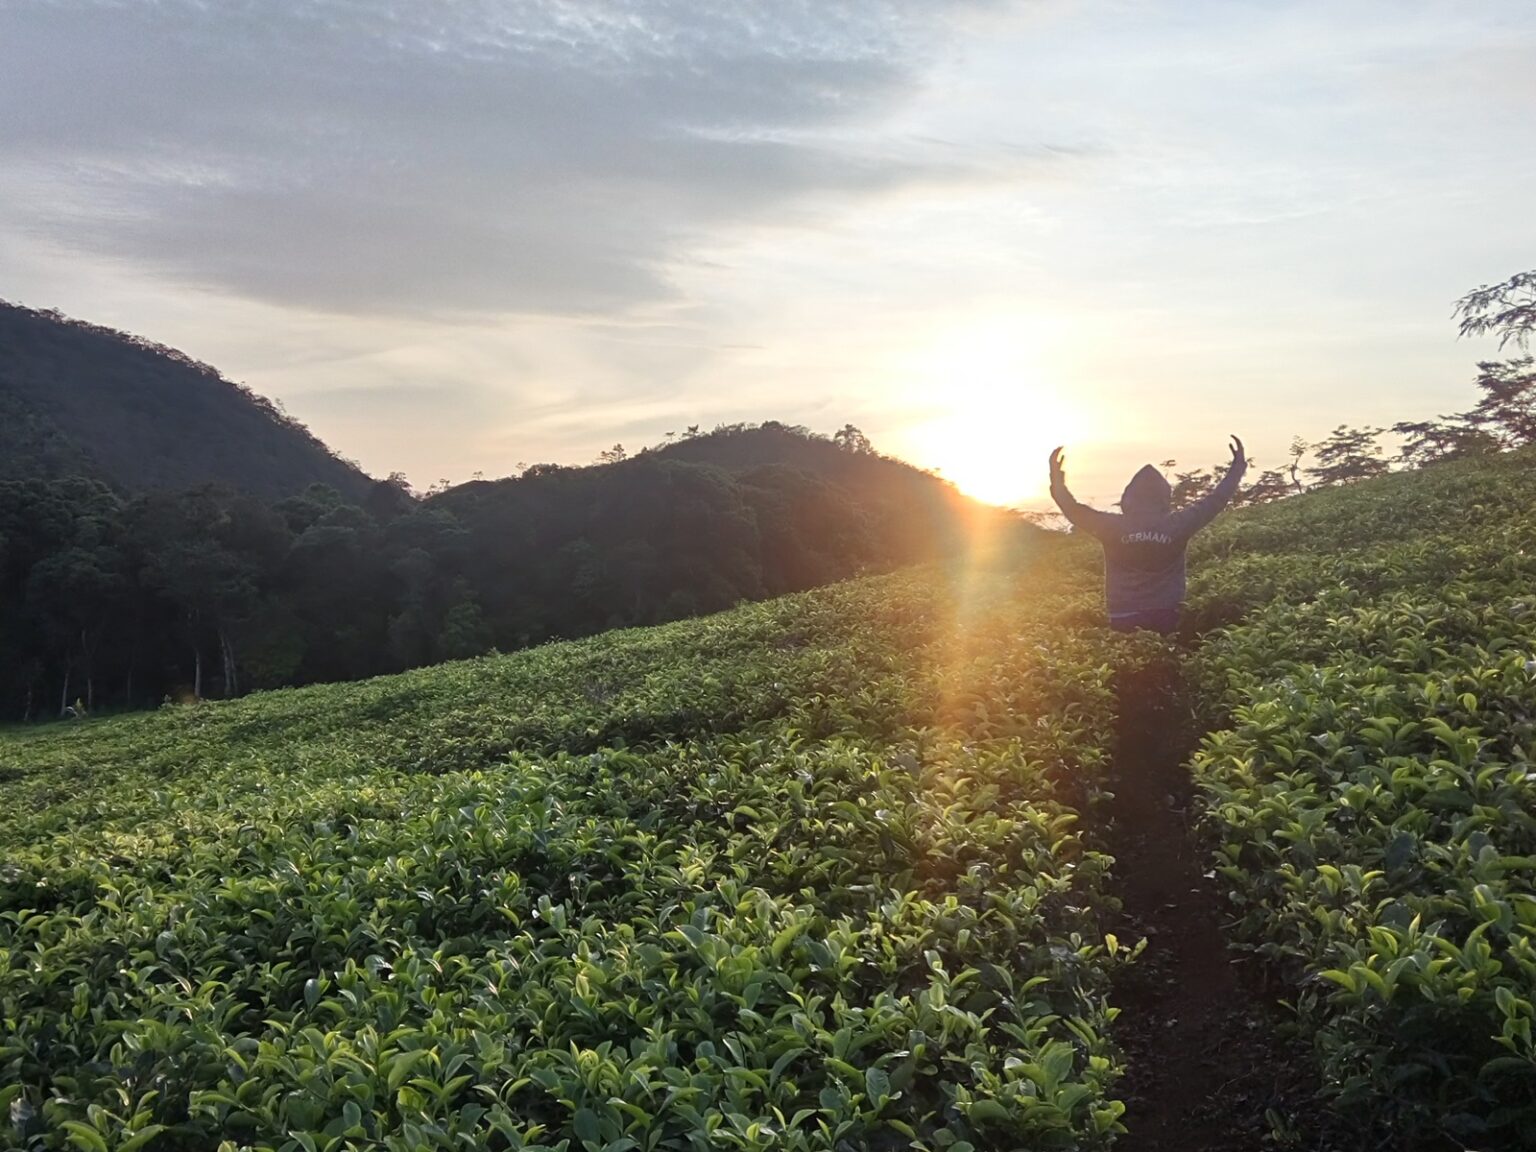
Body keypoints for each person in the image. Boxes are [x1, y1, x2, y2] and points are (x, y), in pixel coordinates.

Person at [1049, 437, 1246, 633]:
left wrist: (1057, 482)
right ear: (1164, 497)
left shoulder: (1112, 526)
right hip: (1167, 611)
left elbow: (1073, 510)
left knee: (1127, 661)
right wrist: (1236, 470)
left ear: (1128, 497)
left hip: (1123, 613)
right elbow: (1215, 501)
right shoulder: (1178, 524)